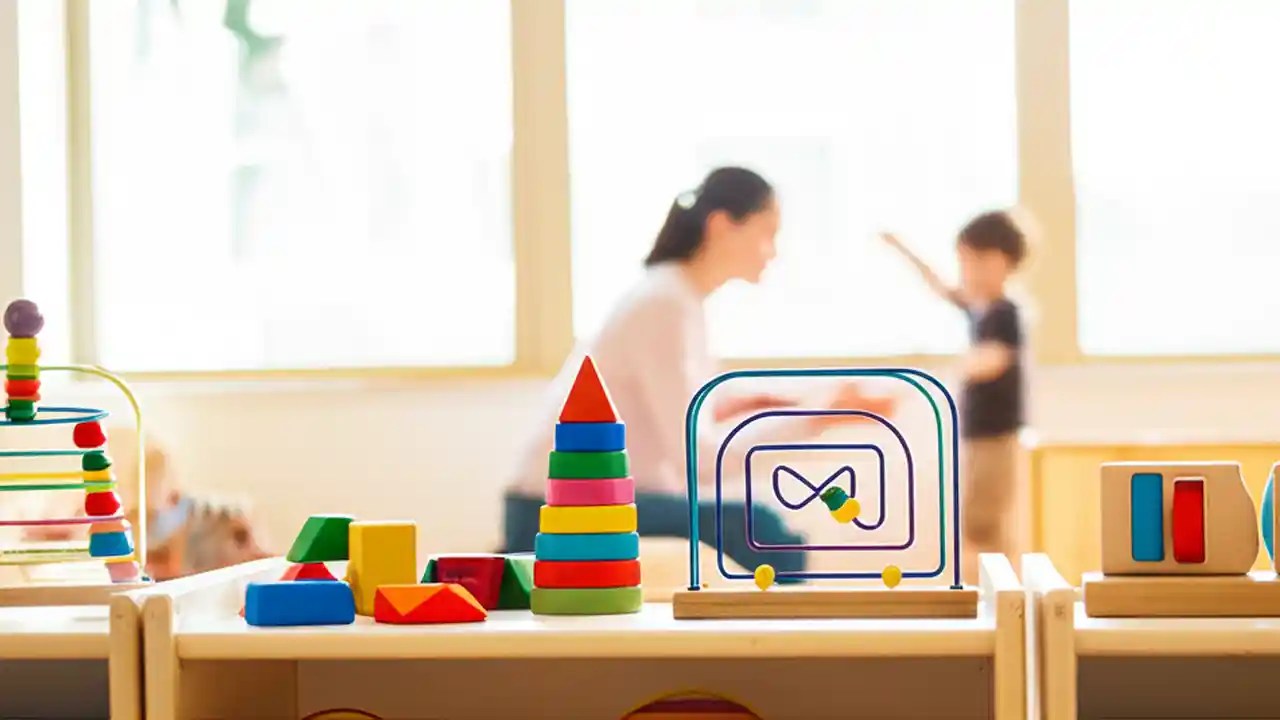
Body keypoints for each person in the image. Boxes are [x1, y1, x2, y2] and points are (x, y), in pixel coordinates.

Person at [502, 166, 891, 576]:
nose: (773, 251)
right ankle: (784, 640)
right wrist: (816, 418)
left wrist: (770, 406)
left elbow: (682, 417)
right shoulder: (665, 303)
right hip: (556, 512)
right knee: (761, 527)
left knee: (759, 520)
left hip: (571, 503)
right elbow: (698, 460)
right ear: (722, 225)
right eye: (767, 232)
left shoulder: (673, 296)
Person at [879, 211, 1027, 584]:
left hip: (996, 438)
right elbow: (940, 286)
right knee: (981, 522)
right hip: (980, 436)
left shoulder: (1004, 313)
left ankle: (993, 594)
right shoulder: (980, 310)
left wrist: (947, 368)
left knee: (981, 525)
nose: (964, 273)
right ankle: (995, 591)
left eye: (970, 262)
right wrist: (903, 250)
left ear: (997, 262)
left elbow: (993, 359)